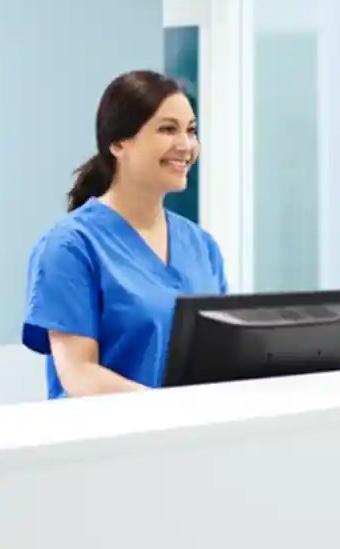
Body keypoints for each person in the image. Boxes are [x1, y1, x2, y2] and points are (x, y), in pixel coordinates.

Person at [22, 70, 227, 398]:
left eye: (191, 130)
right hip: (106, 443)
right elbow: (79, 375)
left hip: (190, 441)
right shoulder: (70, 247)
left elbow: (221, 359)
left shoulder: (202, 247)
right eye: (167, 129)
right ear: (118, 143)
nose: (185, 145)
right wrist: (171, 410)